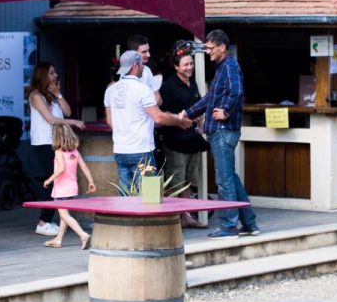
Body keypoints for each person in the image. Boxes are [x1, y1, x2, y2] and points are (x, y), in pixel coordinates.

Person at [186, 29, 261, 239]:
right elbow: (210, 99)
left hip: (223, 131)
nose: (208, 52)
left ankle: (228, 227)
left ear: (222, 47)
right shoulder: (223, 68)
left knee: (224, 180)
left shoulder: (229, 66)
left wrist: (226, 111)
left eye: (211, 48)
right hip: (222, 131)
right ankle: (249, 223)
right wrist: (188, 113)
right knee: (231, 179)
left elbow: (237, 92)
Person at [106, 50, 189, 191]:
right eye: (141, 64)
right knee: (149, 196)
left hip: (120, 150)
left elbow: (109, 120)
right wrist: (179, 121)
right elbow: (158, 117)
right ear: (135, 65)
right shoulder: (143, 90)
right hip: (142, 151)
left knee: (125, 197)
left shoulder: (110, 90)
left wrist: (124, 133)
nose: (144, 67)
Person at [156, 44, 210, 226]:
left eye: (191, 64)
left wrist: (201, 126)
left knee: (188, 181)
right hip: (174, 142)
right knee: (175, 182)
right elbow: (160, 116)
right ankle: (171, 219)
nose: (190, 67)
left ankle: (186, 216)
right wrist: (179, 121)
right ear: (176, 67)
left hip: (192, 140)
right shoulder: (168, 87)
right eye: (186, 64)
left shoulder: (193, 83)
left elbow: (200, 105)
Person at [26, 62, 82, 236]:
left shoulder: (51, 95)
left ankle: (49, 221)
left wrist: (58, 94)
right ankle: (43, 222)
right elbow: (50, 119)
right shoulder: (35, 96)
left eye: (55, 72)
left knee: (58, 181)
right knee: (52, 183)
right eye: (51, 73)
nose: (55, 75)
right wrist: (74, 123)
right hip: (43, 144)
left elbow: (67, 110)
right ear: (43, 76)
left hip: (56, 144)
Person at [41, 123, 96, 249]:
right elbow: (84, 167)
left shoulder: (58, 152)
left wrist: (48, 180)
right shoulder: (75, 152)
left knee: (64, 215)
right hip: (72, 188)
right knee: (63, 215)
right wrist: (91, 181)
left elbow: (61, 169)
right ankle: (58, 239)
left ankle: (83, 235)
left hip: (61, 188)